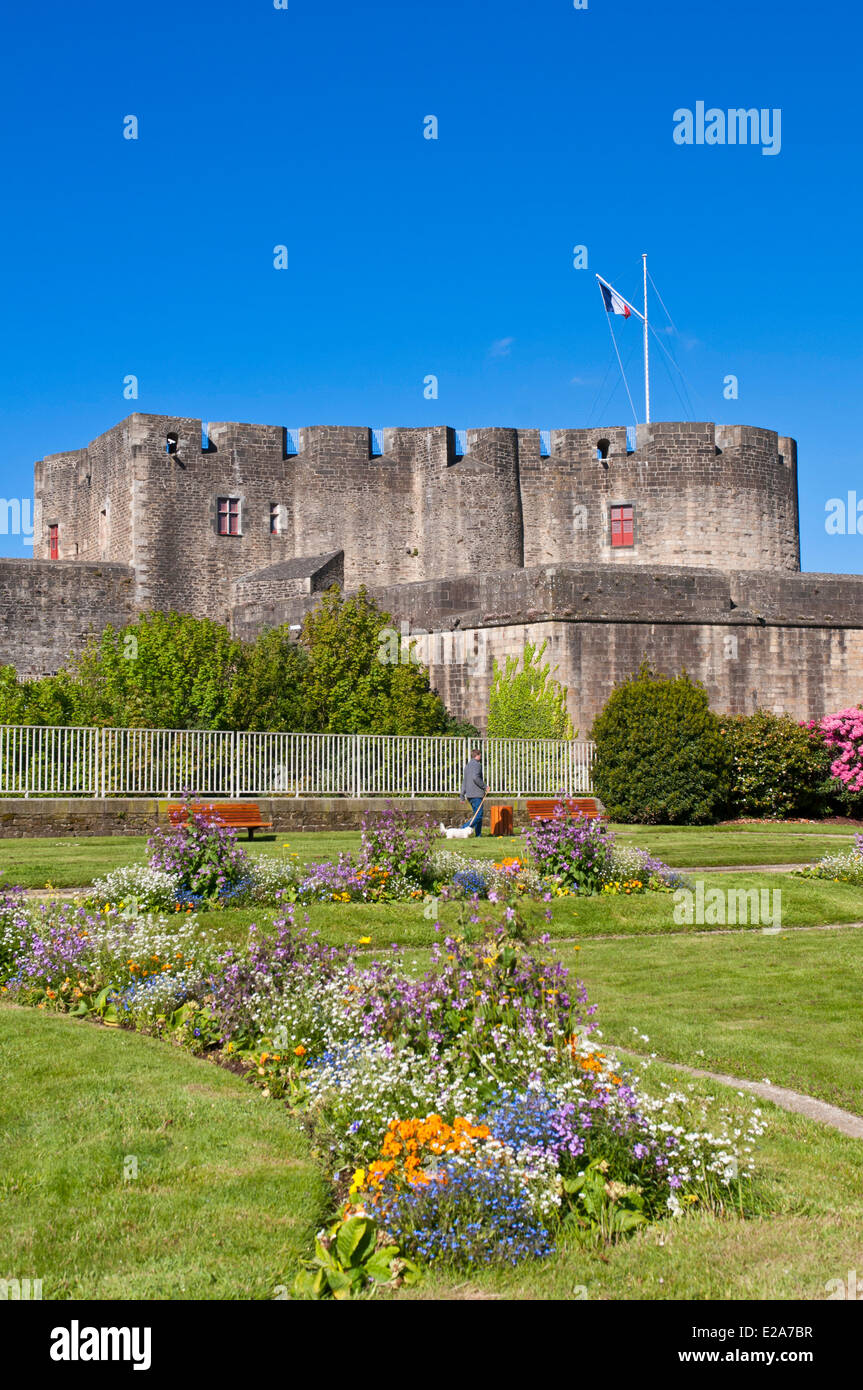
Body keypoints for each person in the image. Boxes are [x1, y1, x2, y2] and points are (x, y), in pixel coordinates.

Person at [460, 747, 487, 836]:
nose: (481, 757)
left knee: (477, 815)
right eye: (480, 755)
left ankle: (478, 834)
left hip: (470, 795)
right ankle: (463, 828)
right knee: (478, 815)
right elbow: (476, 778)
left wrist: (462, 795)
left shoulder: (467, 766)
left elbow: (465, 781)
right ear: (478, 755)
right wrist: (484, 786)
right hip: (477, 794)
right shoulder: (477, 765)